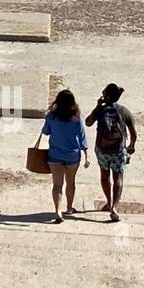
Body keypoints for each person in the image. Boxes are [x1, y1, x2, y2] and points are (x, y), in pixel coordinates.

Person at [85, 83, 138, 222]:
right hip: (119, 150)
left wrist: (97, 106)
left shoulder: (101, 110)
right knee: (118, 178)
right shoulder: (124, 111)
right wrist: (131, 145)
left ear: (105, 95)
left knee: (104, 175)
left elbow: (88, 122)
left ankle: (108, 202)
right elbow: (133, 133)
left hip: (102, 150)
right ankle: (114, 206)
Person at [40, 89, 89, 223]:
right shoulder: (76, 117)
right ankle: (69, 207)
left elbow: (45, 132)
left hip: (55, 155)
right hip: (73, 155)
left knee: (57, 185)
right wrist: (86, 155)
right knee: (70, 182)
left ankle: (58, 211)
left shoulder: (51, 116)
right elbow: (82, 136)